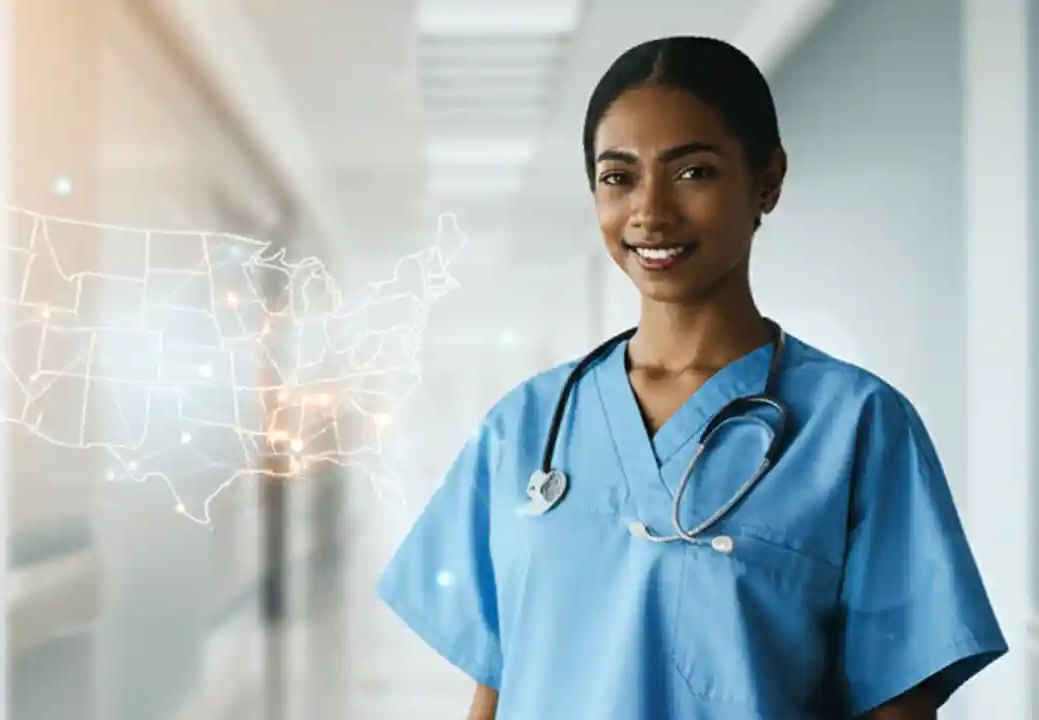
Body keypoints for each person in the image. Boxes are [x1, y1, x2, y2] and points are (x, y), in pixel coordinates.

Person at [375, 36, 1007, 719]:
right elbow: (495, 684)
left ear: (768, 180)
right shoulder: (525, 425)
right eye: (619, 177)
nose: (650, 211)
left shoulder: (855, 425)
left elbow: (900, 704)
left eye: (692, 172)